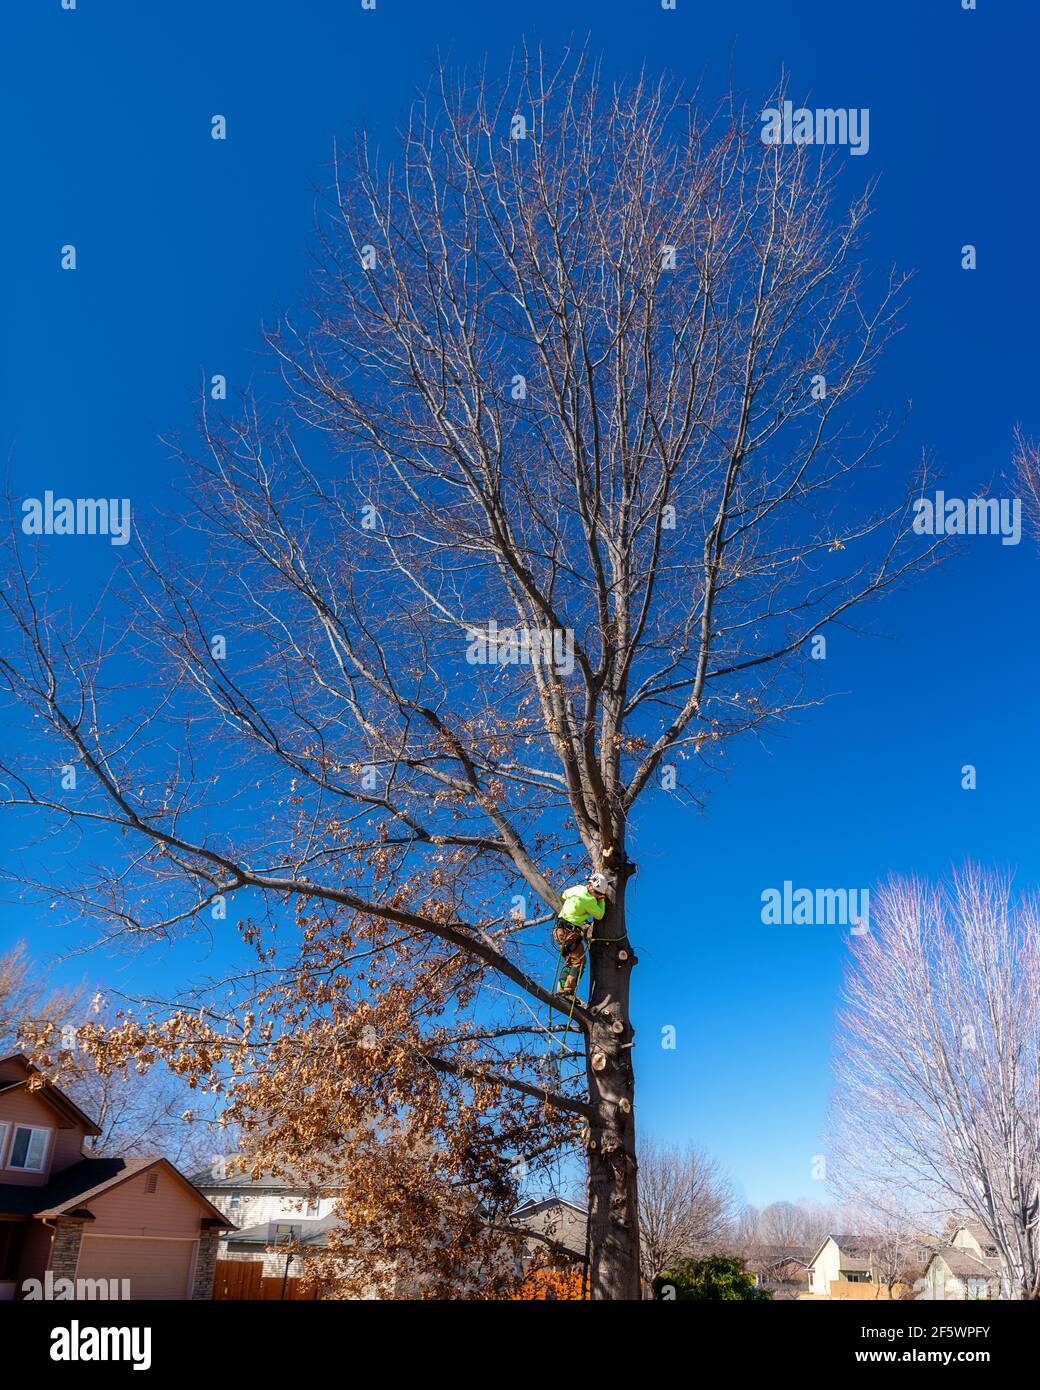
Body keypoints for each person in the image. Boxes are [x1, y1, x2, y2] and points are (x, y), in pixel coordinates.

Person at [552, 872, 609, 998]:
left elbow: (564, 894)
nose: (598, 896)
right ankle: (568, 991)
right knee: (579, 961)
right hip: (569, 933)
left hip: (558, 931)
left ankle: (561, 989)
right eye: (598, 893)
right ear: (592, 888)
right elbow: (599, 915)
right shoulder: (589, 900)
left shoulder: (577, 888)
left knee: (570, 962)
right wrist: (601, 901)